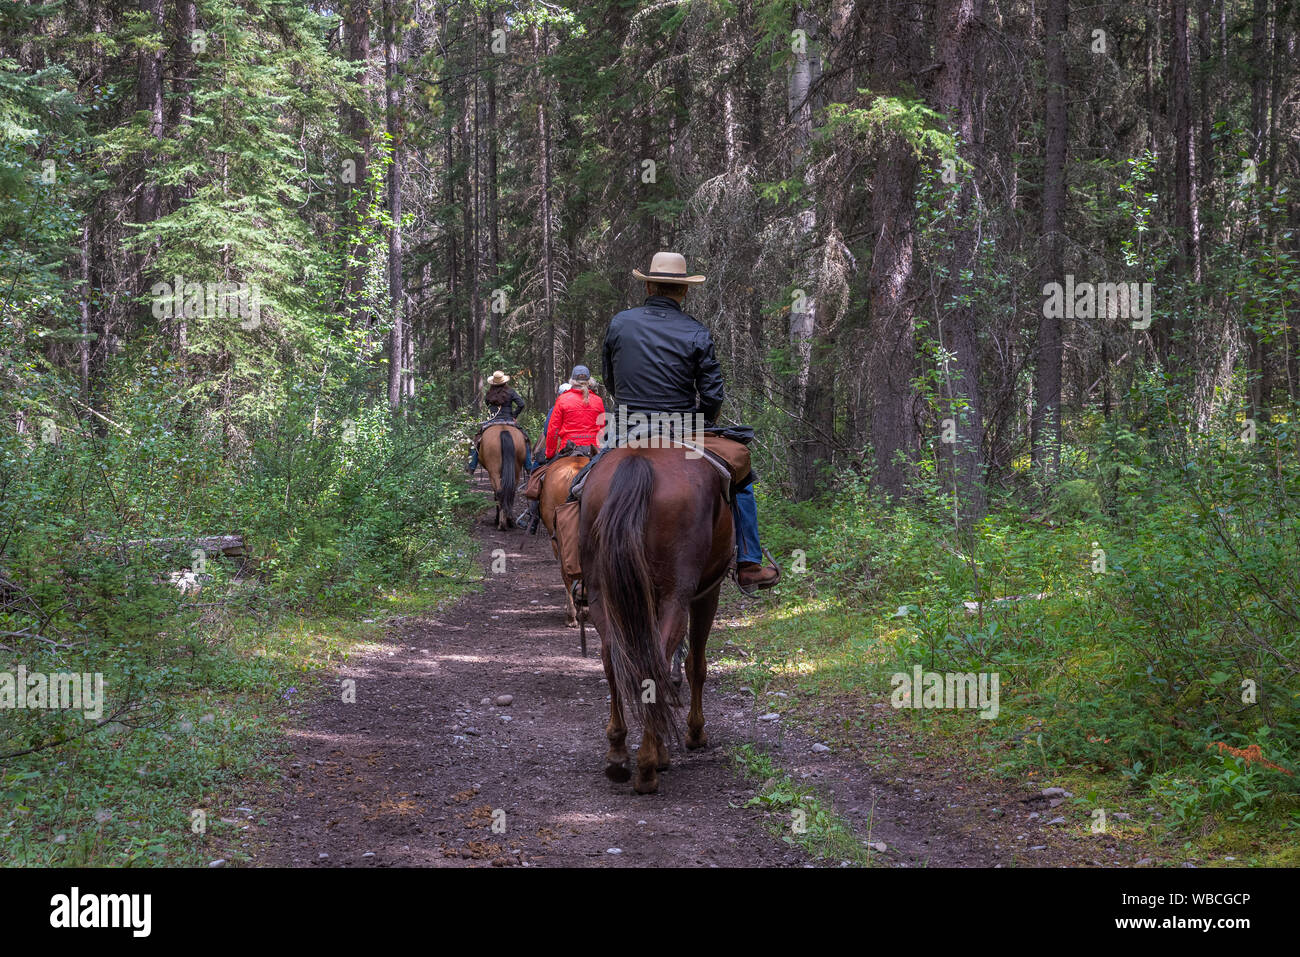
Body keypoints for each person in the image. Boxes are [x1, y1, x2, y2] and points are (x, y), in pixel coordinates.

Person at [602, 251, 778, 590]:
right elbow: (712, 395)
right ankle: (748, 562)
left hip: (625, 425)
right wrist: (700, 422)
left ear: (650, 286)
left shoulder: (619, 323)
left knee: (582, 485)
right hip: (682, 429)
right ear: (683, 291)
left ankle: (581, 570)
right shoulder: (696, 331)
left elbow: (610, 378)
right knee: (740, 472)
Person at [468, 370, 532, 472]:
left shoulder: (489, 393)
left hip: (492, 420)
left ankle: (471, 466)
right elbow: (521, 404)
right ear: (504, 381)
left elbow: (488, 406)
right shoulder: (511, 392)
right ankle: (529, 467)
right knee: (525, 439)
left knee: (476, 441)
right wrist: (514, 415)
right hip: (508, 420)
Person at [545, 366, 606, 459]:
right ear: (589, 381)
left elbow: (553, 429)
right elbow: (602, 430)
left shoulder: (562, 400)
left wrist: (549, 453)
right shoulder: (598, 401)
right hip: (593, 449)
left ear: (572, 381)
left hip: (568, 448)